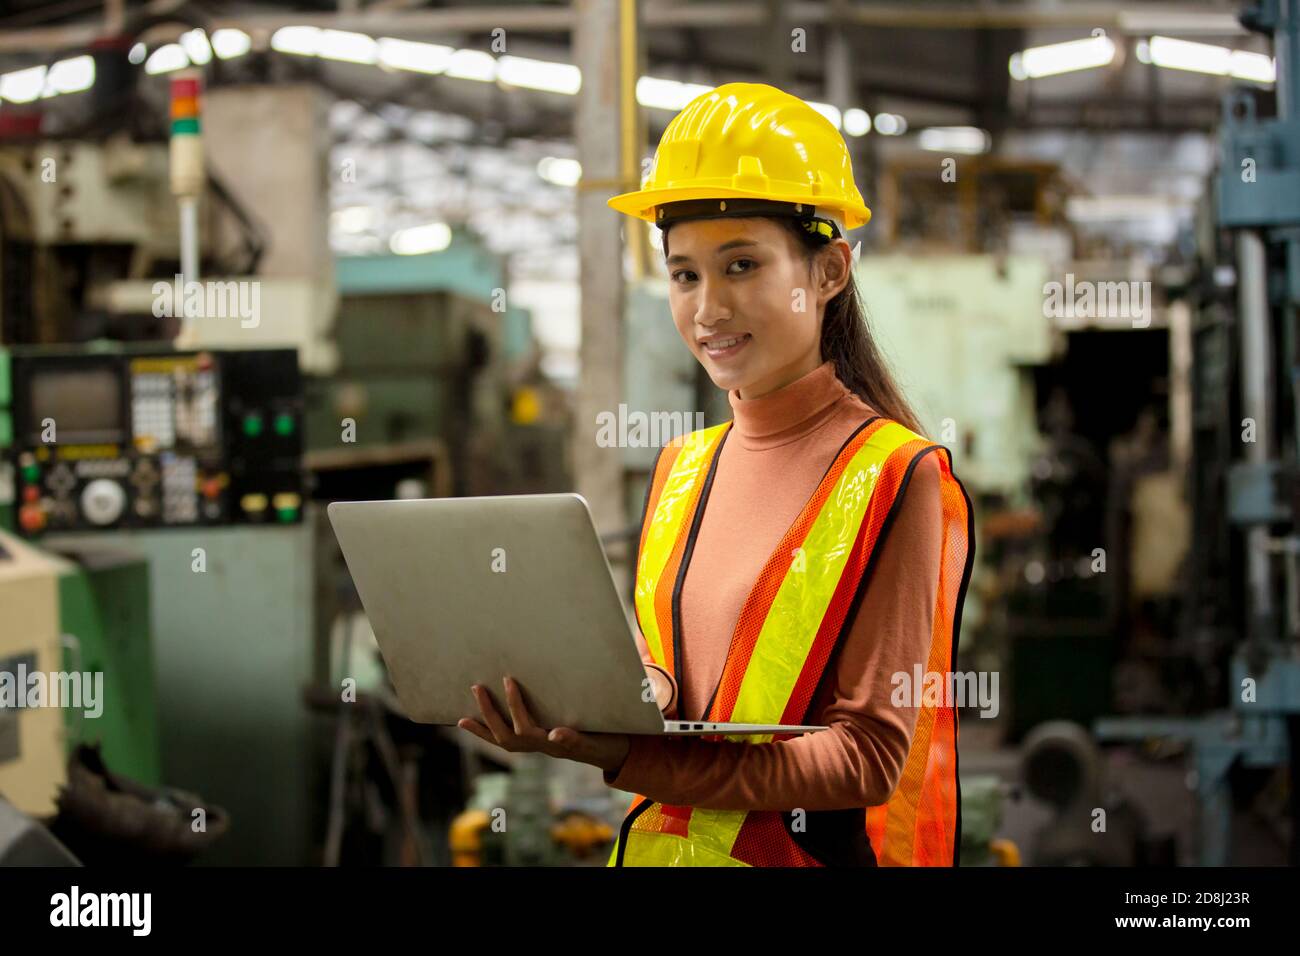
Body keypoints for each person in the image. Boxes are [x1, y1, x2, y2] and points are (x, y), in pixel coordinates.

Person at [457, 81, 975, 867]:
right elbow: (681, 684)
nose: (707, 310)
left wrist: (623, 756)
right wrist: (585, 697)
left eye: (741, 265)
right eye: (685, 274)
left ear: (829, 270)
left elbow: (868, 758)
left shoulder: (895, 474)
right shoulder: (682, 466)